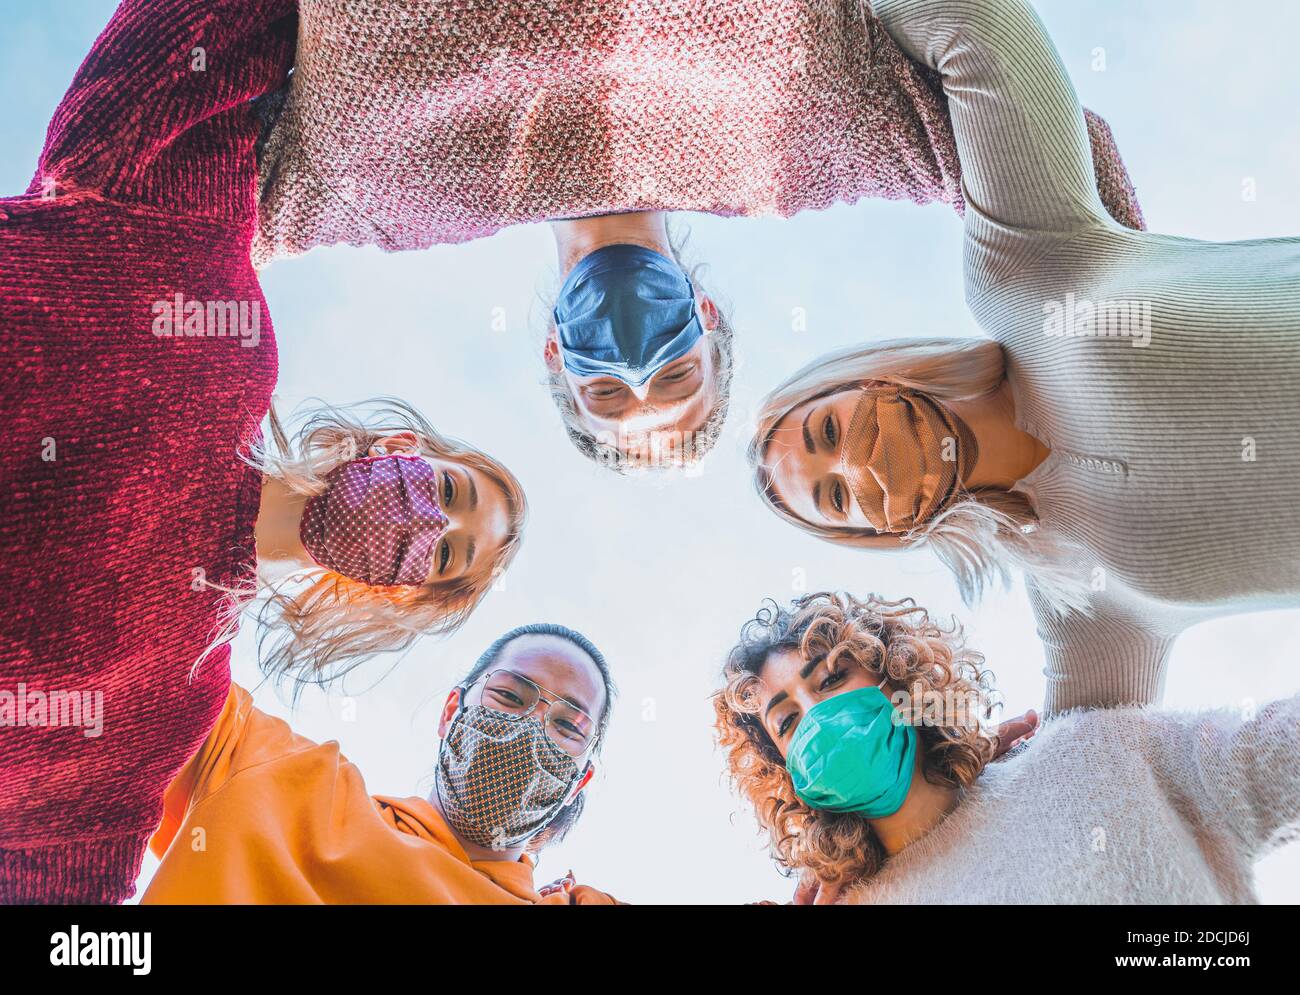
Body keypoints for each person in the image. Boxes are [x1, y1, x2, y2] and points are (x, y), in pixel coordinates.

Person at [0, 0, 522, 904]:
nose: (434, 516)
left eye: (446, 552)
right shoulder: (220, 328)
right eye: (451, 488)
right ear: (400, 447)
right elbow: (165, 68)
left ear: (395, 591)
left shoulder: (165, 712)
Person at [749, 0, 1300, 714]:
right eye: (835, 496)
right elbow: (1097, 776)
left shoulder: (1022, 275)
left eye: (827, 432)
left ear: (865, 380)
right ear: (878, 534)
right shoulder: (1080, 607)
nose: (858, 465)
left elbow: (977, 27)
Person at [715, 592, 1300, 904]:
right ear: (787, 775)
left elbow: (1272, 754)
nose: (820, 717)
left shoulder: (1090, 755)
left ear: (895, 678)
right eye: (788, 721)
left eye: (833, 678)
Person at [143, 624, 619, 904]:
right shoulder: (286, 777)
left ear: (581, 780)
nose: (529, 729)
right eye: (510, 696)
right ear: (452, 711)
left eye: (569, 726)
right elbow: (157, 653)